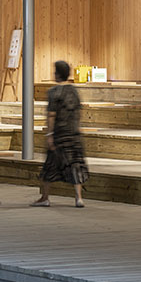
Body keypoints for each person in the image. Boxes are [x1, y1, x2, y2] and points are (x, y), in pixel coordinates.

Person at [32, 59, 89, 207]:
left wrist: (49, 134)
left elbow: (51, 115)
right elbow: (78, 112)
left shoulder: (54, 92)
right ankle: (79, 198)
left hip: (59, 134)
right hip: (74, 133)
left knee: (50, 165)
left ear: (57, 74)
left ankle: (45, 198)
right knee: (75, 165)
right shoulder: (74, 91)